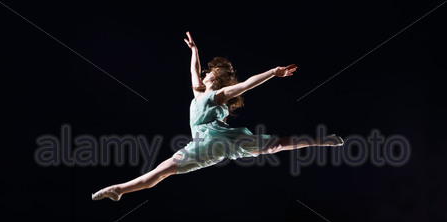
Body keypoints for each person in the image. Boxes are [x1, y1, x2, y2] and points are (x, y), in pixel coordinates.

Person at [92, 31, 344, 201]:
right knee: (160, 171)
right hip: (202, 144)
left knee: (275, 146)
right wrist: (194, 50)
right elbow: (193, 69)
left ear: (216, 77)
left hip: (218, 139)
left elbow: (246, 84)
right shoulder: (198, 95)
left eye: (207, 73)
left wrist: (272, 72)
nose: (202, 75)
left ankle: (323, 140)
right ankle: (118, 190)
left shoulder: (219, 95)